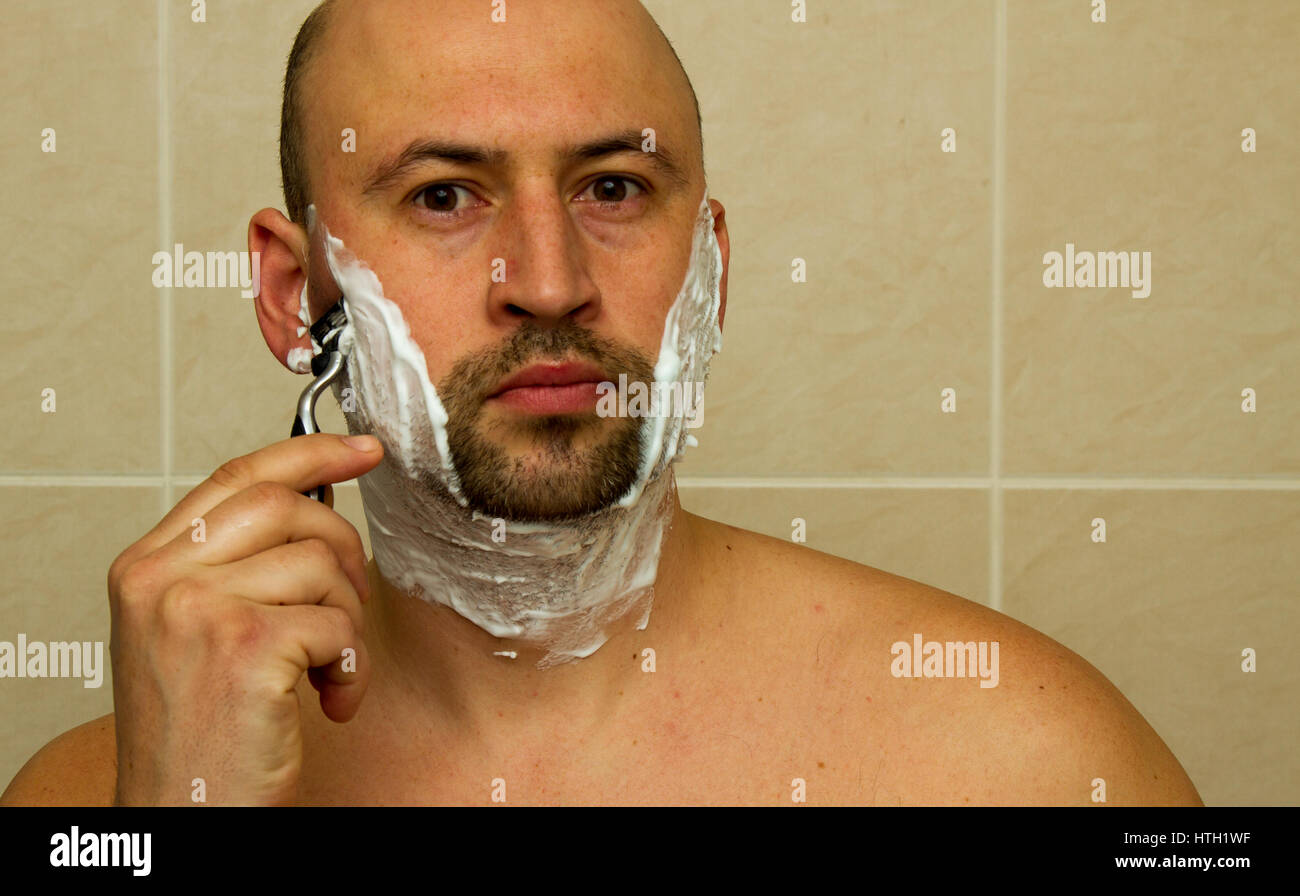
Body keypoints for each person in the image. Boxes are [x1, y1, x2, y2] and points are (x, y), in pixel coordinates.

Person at [3, 0, 1201, 806]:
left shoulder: (1021, 759)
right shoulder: (97, 798)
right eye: (441, 197)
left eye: (614, 187)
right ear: (289, 291)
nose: (551, 281)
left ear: (713, 267)